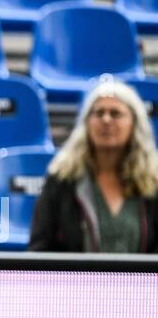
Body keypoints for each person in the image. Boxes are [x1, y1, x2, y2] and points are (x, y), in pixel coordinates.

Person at [30, 80, 158, 253]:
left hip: (142, 280)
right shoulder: (62, 180)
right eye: (98, 113)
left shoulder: (153, 181)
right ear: (87, 124)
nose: (106, 120)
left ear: (134, 124)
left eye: (115, 113)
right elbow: (39, 249)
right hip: (74, 280)